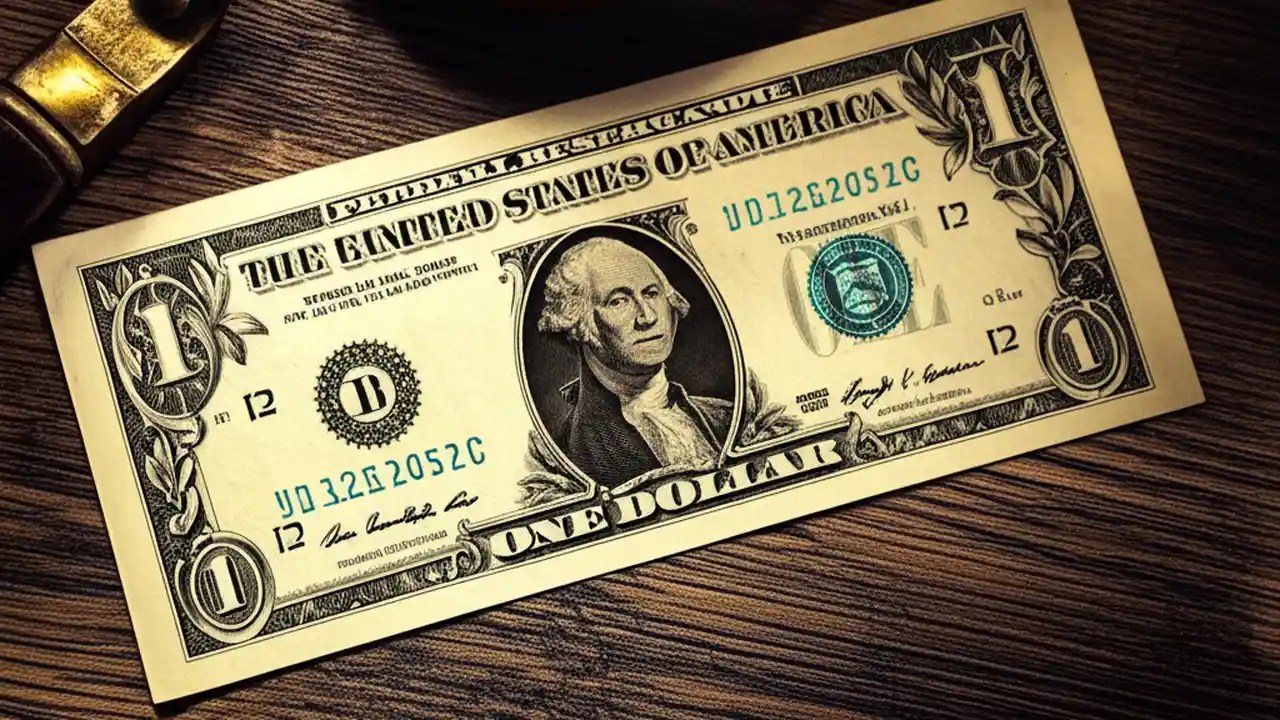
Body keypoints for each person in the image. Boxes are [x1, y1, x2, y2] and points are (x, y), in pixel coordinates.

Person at [537, 236, 731, 488]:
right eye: (619, 301)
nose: (648, 317)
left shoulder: (725, 416)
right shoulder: (569, 459)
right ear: (580, 323)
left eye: (651, 293)